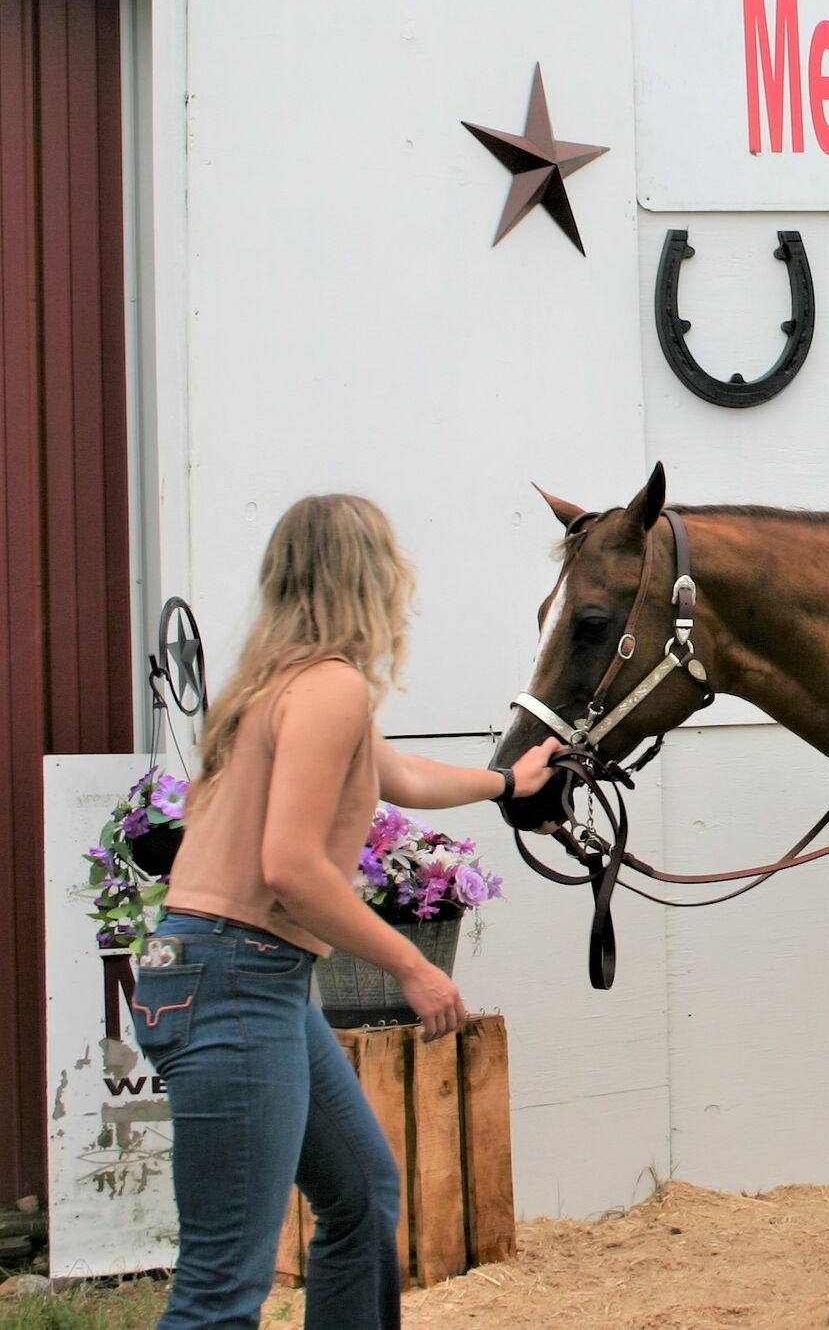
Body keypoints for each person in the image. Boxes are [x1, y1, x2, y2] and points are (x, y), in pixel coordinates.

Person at [125, 494, 561, 1329]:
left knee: (363, 1193)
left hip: (247, 981)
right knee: (222, 1287)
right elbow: (288, 867)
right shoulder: (328, 690)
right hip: (234, 981)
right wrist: (413, 965)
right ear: (371, 577)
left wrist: (511, 782)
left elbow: (400, 777)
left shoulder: (278, 684)